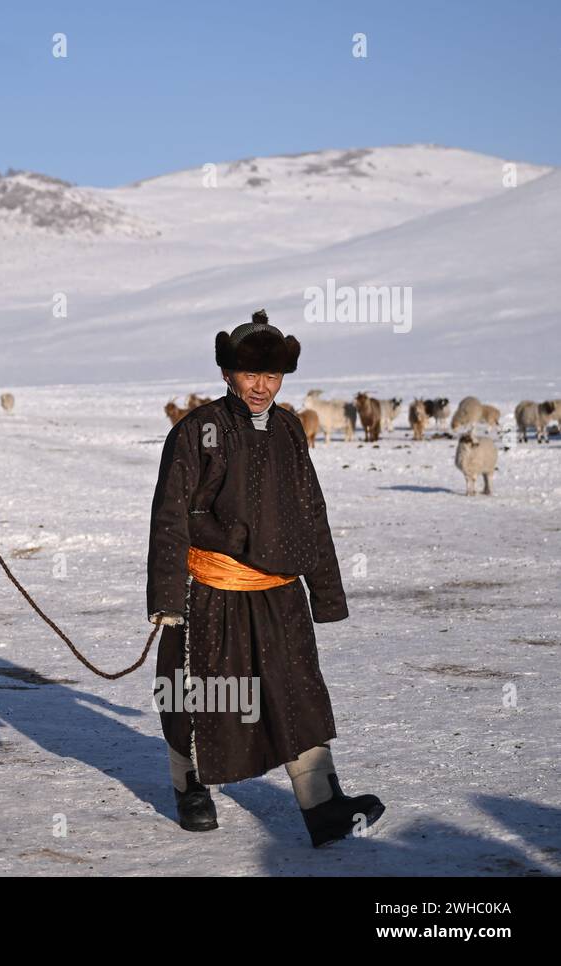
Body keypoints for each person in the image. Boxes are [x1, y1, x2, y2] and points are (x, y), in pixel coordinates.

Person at [146, 309, 384, 847]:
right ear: (228, 373)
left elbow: (310, 509)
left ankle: (323, 806)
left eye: (272, 376)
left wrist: (325, 590)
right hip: (210, 591)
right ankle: (192, 789)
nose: (261, 387)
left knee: (297, 693)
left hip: (279, 595)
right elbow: (169, 516)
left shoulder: (289, 429)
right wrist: (167, 598)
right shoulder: (195, 431)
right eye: (250, 375)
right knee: (201, 696)